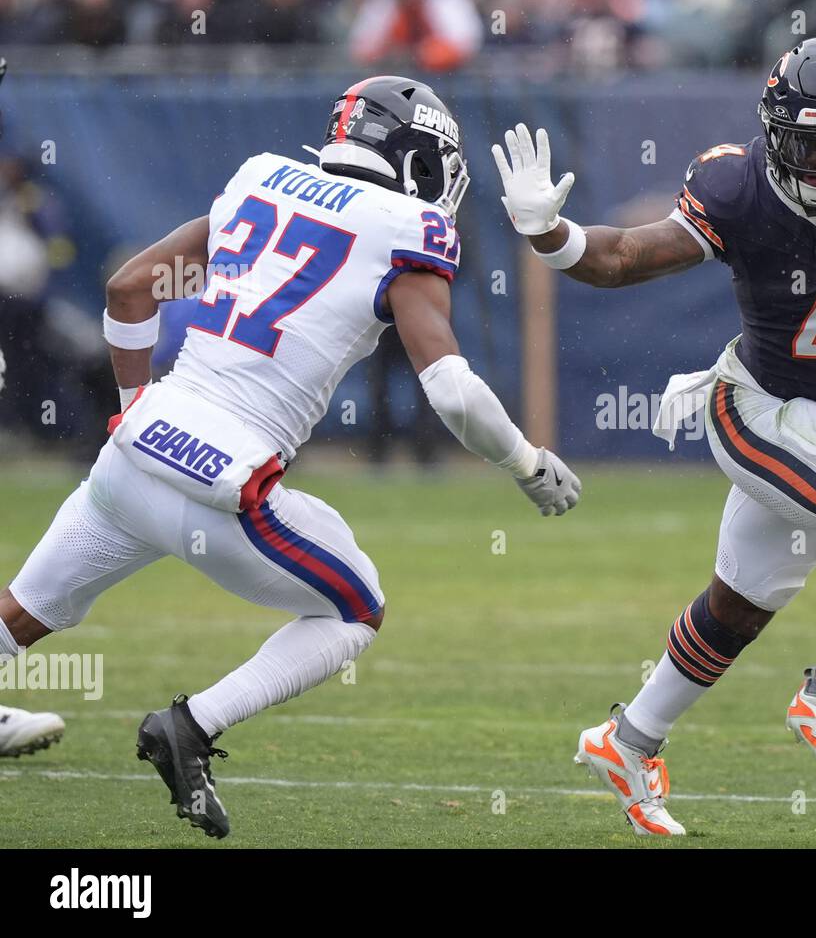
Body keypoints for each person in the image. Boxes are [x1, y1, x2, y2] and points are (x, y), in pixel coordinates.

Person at [0, 75, 581, 839]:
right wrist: (529, 465)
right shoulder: (411, 227)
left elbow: (130, 287)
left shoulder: (259, 179)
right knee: (356, 607)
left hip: (135, 453)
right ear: (412, 156)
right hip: (227, 481)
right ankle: (191, 724)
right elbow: (453, 392)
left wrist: (137, 405)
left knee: (19, 618)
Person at [494, 37, 816, 836]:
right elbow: (625, 255)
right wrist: (551, 235)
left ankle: (628, 740)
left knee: (737, 607)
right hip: (757, 409)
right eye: (802, 141)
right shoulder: (733, 187)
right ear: (772, 131)